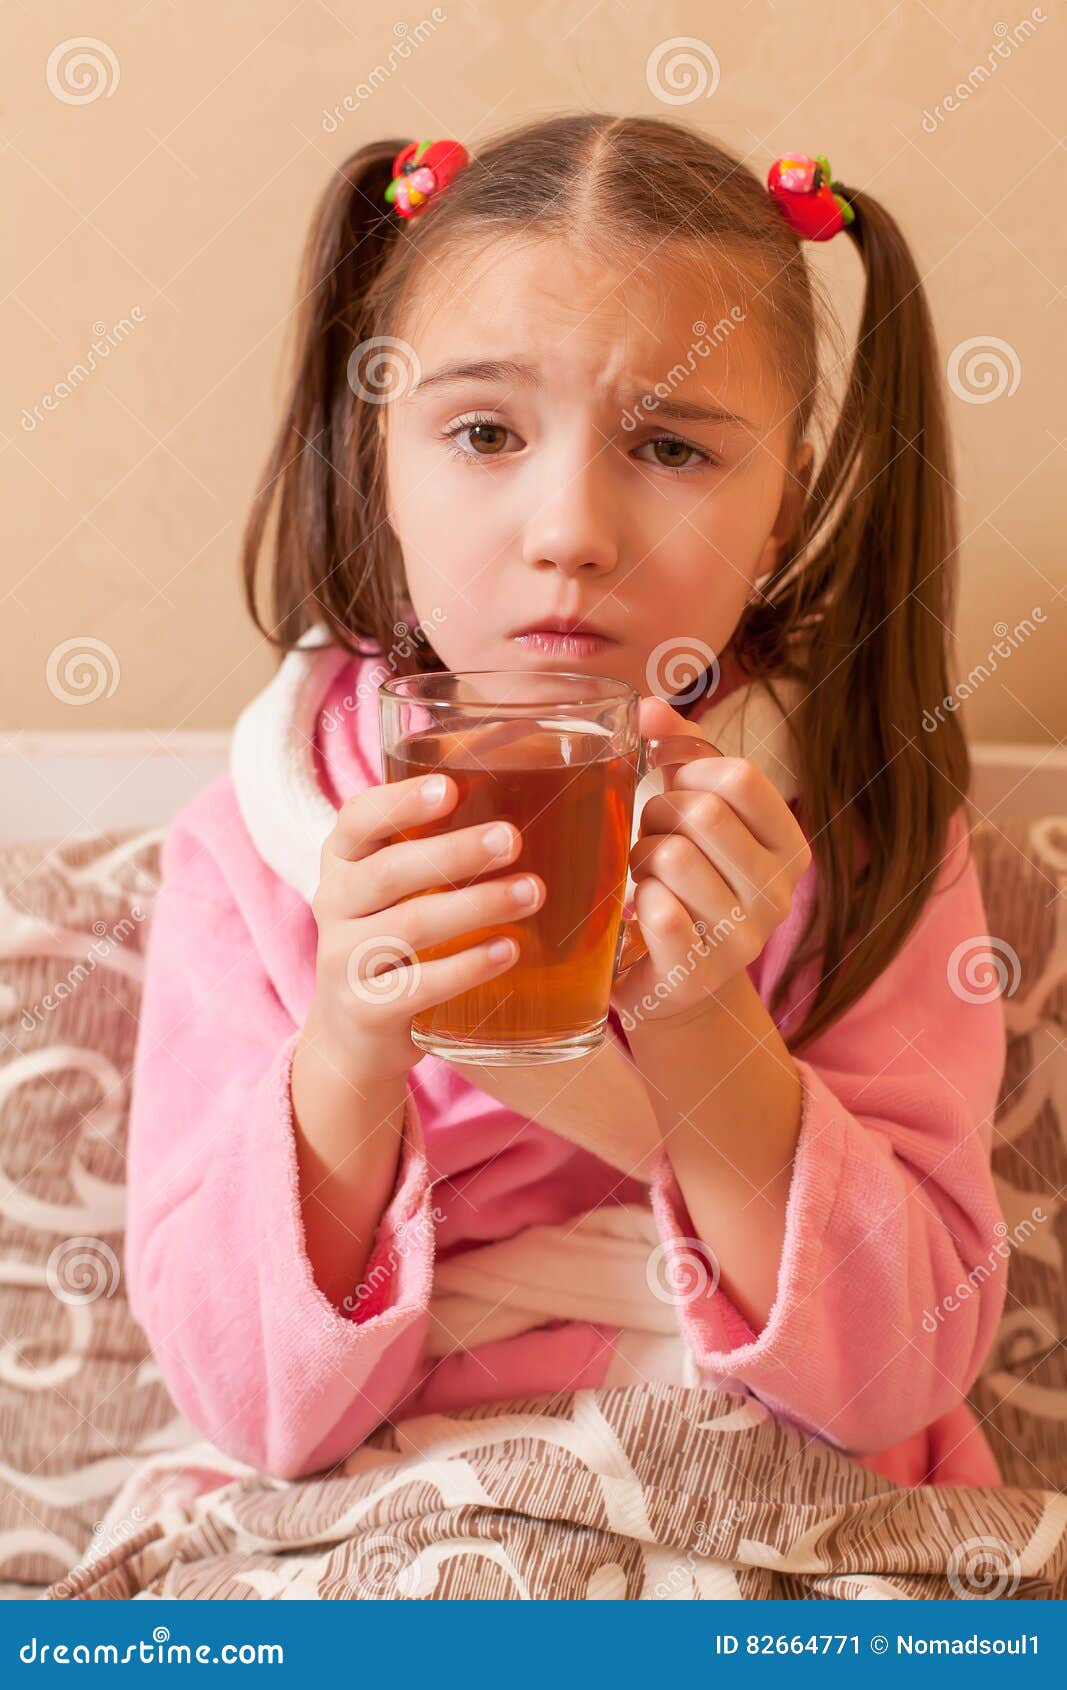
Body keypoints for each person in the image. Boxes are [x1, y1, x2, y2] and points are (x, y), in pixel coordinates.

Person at [125, 116, 1008, 1489]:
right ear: (382, 466)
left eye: (672, 448)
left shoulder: (868, 831)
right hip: (409, 1501)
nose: (570, 529)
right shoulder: (256, 846)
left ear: (784, 509)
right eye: (482, 430)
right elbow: (252, 1413)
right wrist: (353, 1047)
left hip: (767, 1494)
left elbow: (900, 1369)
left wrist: (707, 1017)